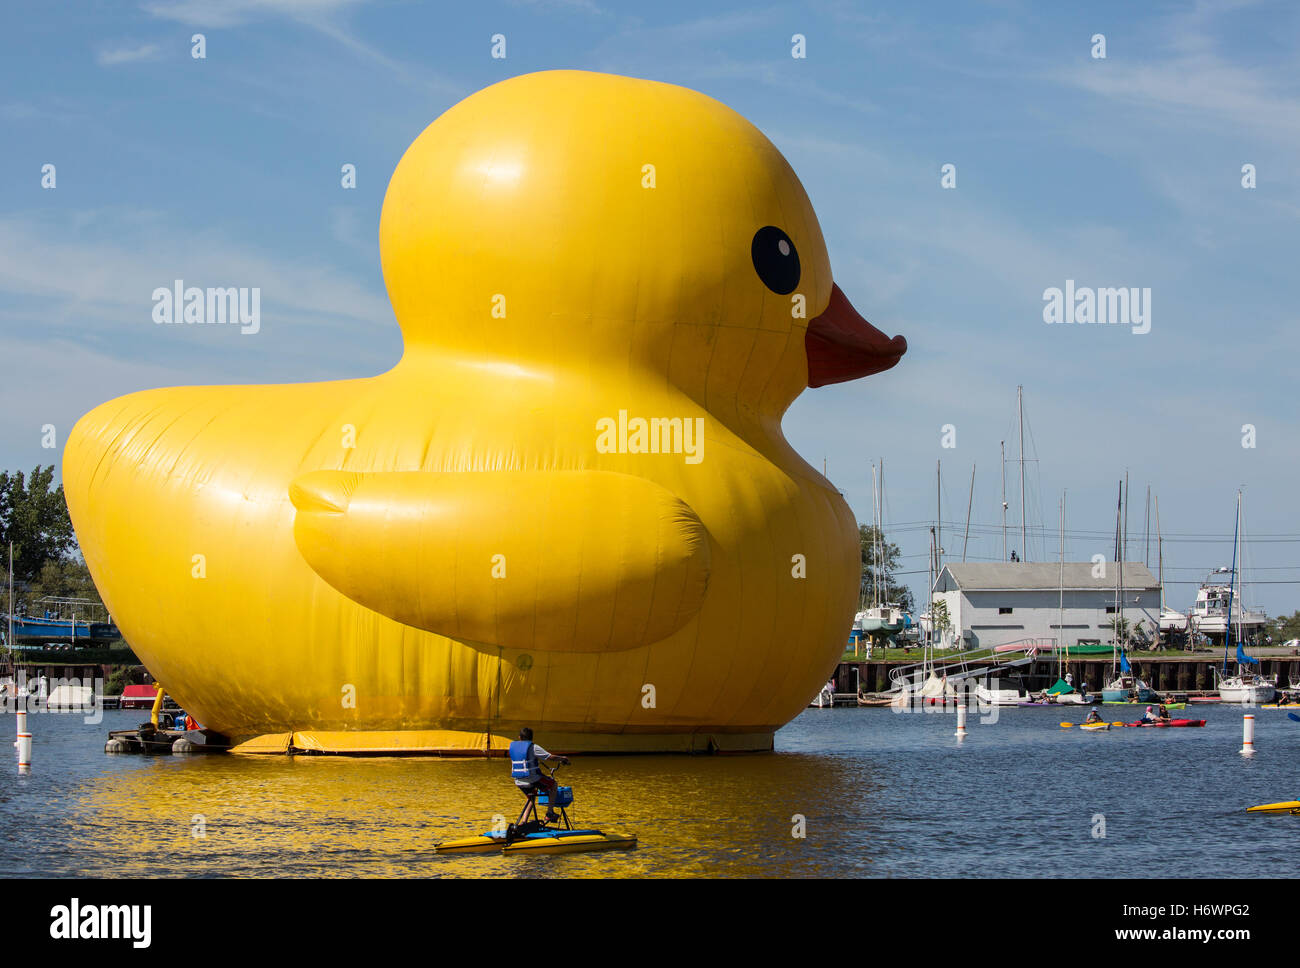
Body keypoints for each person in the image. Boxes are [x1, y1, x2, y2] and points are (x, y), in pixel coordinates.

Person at [508, 727, 569, 823]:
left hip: (518, 781)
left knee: (531, 798)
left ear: (519, 737)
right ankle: (549, 813)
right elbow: (550, 757)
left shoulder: (513, 747)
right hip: (533, 779)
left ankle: (524, 822)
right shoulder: (533, 747)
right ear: (532, 738)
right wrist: (563, 758)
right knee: (553, 785)